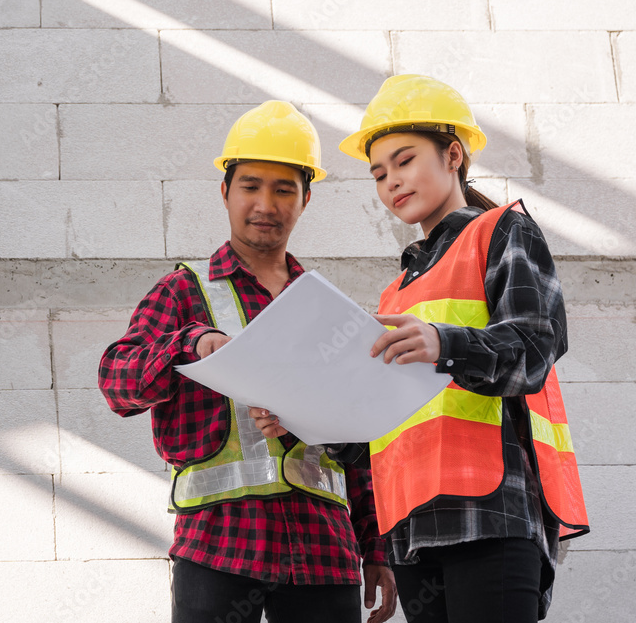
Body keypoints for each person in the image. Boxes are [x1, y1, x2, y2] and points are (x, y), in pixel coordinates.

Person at [251, 75, 589, 622]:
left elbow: (535, 344)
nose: (391, 182)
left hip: (490, 516)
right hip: (413, 531)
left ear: (453, 154)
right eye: (379, 173)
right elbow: (379, 434)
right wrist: (305, 423)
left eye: (404, 160)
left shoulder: (503, 232)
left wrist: (443, 344)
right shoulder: (396, 291)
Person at [98, 101, 397, 623]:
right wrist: (186, 344)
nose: (266, 203)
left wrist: (378, 547)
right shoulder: (185, 292)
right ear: (225, 192)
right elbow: (116, 383)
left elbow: (361, 443)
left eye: (284, 189)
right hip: (218, 546)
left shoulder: (328, 310)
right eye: (251, 185)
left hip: (322, 553)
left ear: (305, 198)